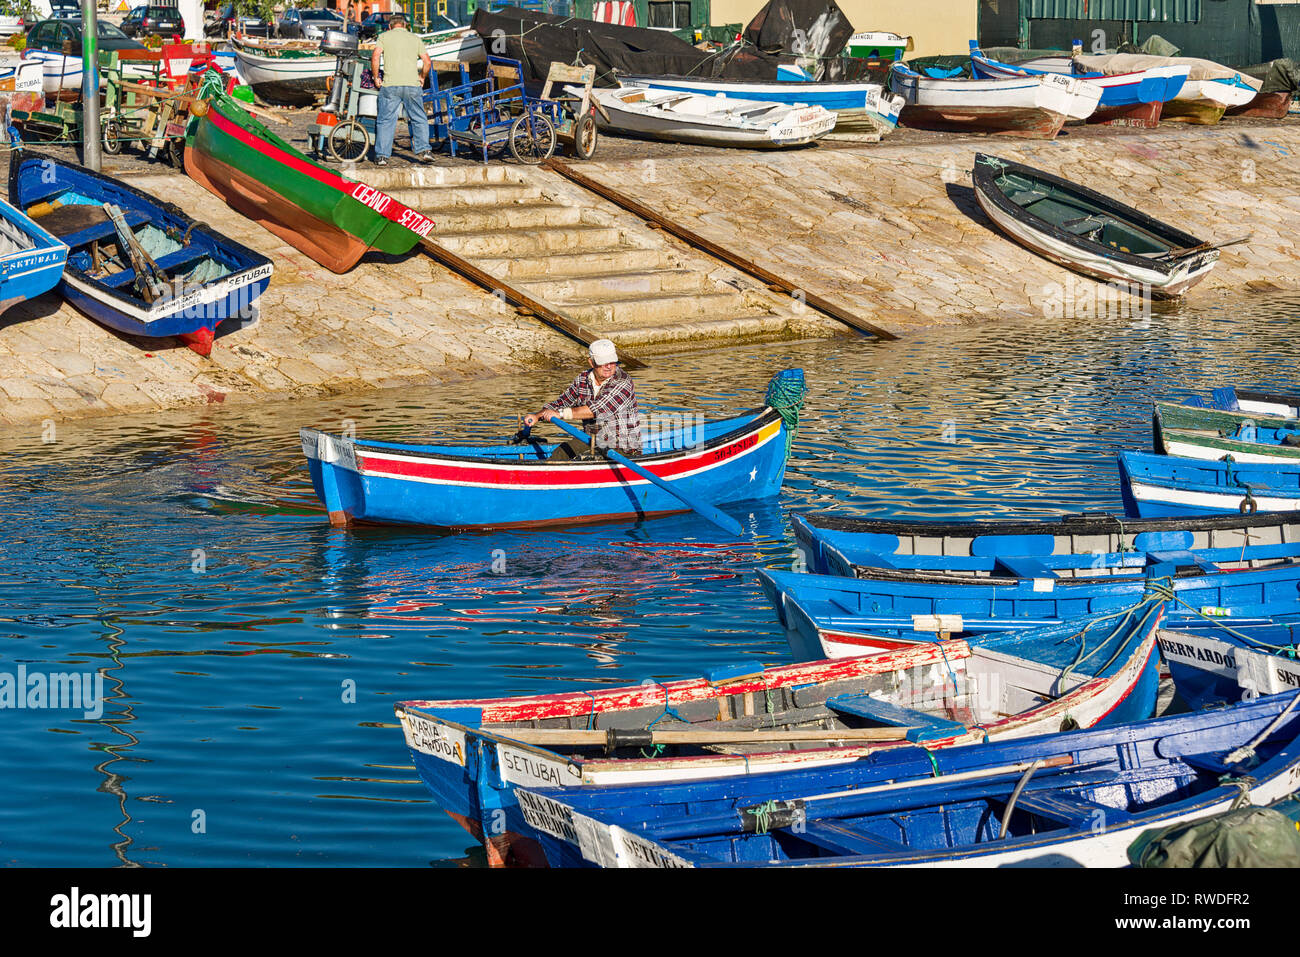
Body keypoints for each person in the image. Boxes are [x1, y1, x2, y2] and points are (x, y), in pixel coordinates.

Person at [523, 340, 641, 460]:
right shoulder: (583, 379)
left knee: (588, 459)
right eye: (603, 362)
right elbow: (562, 402)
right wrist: (538, 415)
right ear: (591, 362)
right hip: (591, 439)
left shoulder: (623, 382)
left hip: (622, 447)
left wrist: (560, 414)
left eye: (612, 361)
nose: (609, 366)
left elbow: (596, 410)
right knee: (560, 454)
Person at [370, 11, 432, 166]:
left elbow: (375, 57)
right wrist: (422, 77)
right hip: (412, 84)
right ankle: (425, 151)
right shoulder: (415, 38)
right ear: (405, 25)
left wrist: (376, 77)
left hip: (390, 85)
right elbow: (427, 62)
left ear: (390, 27)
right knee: (419, 118)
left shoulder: (384, 37)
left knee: (385, 120)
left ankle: (382, 156)